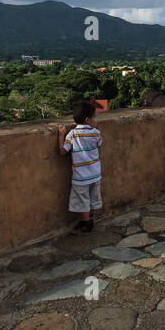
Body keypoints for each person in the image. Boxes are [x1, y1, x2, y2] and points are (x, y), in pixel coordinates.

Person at [58, 99, 103, 234]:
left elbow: (63, 151)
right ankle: (90, 219)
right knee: (92, 198)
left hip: (81, 176)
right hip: (95, 173)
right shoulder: (96, 133)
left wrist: (61, 135)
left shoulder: (72, 134)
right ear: (88, 120)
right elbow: (99, 144)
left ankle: (85, 224)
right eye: (94, 117)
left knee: (83, 201)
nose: (95, 120)